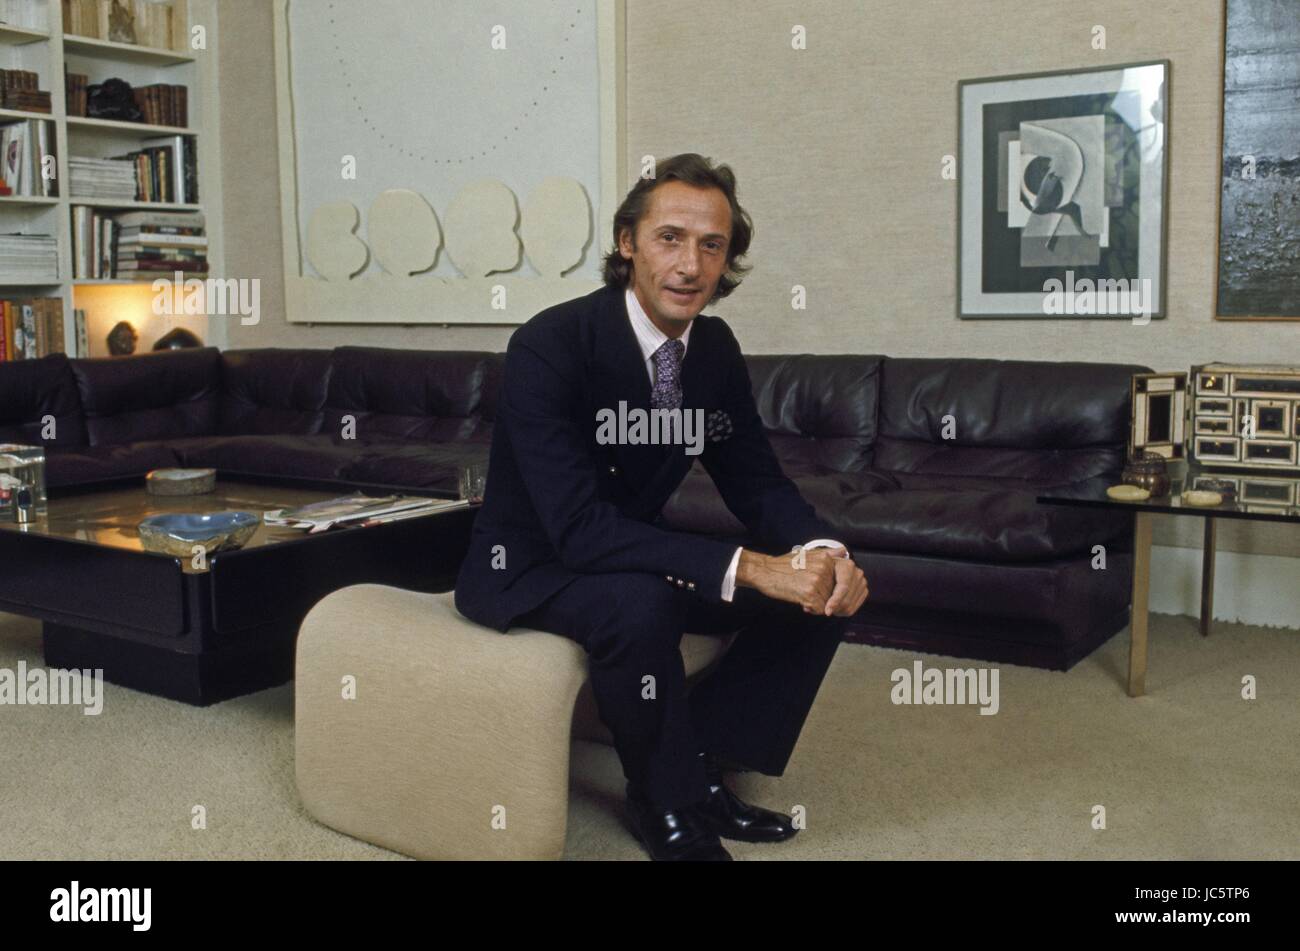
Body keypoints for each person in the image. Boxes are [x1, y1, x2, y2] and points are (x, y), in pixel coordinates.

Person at [455, 153, 869, 860]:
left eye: (712, 245)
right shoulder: (548, 346)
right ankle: (664, 803)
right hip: (533, 564)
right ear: (627, 243)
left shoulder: (713, 349)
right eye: (669, 238)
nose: (690, 265)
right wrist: (748, 566)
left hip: (633, 552)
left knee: (817, 592)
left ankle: (703, 764)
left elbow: (757, 482)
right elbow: (579, 529)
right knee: (640, 603)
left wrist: (820, 553)